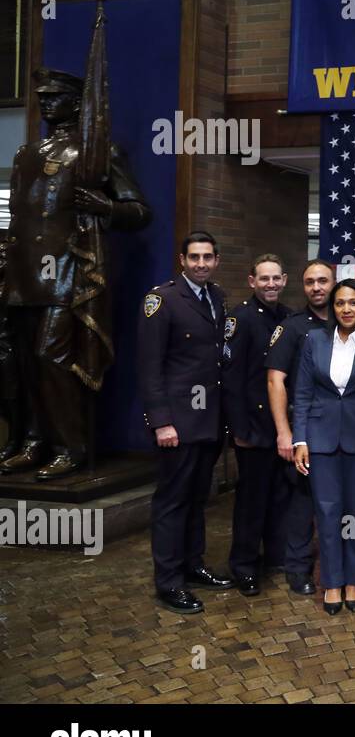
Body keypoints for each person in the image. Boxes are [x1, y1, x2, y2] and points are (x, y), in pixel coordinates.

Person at [3, 67, 152, 478]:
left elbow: (139, 211)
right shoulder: (26, 154)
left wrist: (106, 209)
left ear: (75, 101)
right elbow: (18, 218)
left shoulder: (96, 153)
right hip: (23, 275)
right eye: (42, 97)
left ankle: (71, 445)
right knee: (24, 364)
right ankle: (34, 442)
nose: (45, 103)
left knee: (50, 357)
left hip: (67, 275)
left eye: (54, 97)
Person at [138, 232, 232, 614]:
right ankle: (169, 582)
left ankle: (193, 566)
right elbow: (149, 367)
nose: (201, 264)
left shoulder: (217, 297)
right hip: (177, 423)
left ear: (216, 260)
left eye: (208, 257)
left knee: (197, 500)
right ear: (182, 260)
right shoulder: (161, 300)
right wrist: (161, 421)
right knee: (172, 503)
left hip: (208, 421)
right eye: (194, 257)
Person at [292, 279, 355, 614]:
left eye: (353, 303)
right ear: (333, 307)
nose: (346, 309)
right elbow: (302, 393)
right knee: (328, 512)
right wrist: (299, 439)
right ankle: (331, 581)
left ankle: (354, 579)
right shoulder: (314, 339)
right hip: (320, 439)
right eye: (340, 303)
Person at [222, 254, 290, 596]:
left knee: (278, 497)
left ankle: (272, 555)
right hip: (253, 427)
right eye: (264, 278)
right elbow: (231, 380)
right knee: (251, 502)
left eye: (276, 278)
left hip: (282, 426)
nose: (271, 284)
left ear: (284, 280)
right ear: (252, 281)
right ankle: (244, 566)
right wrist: (238, 431)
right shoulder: (241, 318)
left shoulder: (288, 316)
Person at [266, 260, 335, 596]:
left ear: (334, 282)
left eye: (323, 281)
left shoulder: (349, 320)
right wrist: (284, 432)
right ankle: (298, 569)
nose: (317, 287)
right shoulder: (293, 326)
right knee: (302, 503)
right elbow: (275, 380)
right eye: (310, 282)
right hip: (305, 426)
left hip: (342, 429)